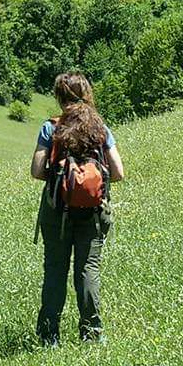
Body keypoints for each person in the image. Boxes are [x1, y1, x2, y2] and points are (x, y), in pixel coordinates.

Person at [31, 70, 125, 345]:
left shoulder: (51, 128)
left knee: (55, 271)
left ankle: (49, 336)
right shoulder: (100, 128)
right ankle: (92, 335)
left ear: (59, 97)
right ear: (86, 94)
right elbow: (118, 173)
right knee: (88, 270)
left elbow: (36, 171)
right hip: (93, 213)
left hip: (56, 211)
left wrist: (62, 179)